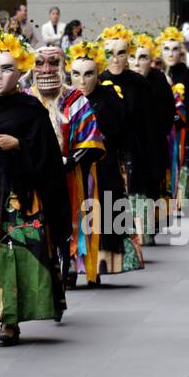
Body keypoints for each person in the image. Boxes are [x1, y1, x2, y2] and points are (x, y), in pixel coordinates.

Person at [0, 33, 71, 346]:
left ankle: (11, 322)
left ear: (19, 74)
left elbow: (48, 157)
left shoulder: (32, 110)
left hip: (23, 200)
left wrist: (19, 145)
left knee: (19, 256)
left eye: (6, 69)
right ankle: (4, 317)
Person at [51, 42, 143, 283]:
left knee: (102, 214)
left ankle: (97, 265)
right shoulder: (64, 99)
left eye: (89, 73)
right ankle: (69, 266)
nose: (82, 80)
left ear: (97, 75)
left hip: (103, 166)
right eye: (76, 74)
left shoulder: (110, 98)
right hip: (71, 167)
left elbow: (124, 133)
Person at [99, 24, 162, 246]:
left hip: (137, 150)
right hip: (107, 153)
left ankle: (142, 231)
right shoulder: (96, 82)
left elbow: (151, 127)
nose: (115, 59)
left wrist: (154, 161)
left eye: (121, 53)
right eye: (110, 54)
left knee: (138, 189)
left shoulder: (140, 84)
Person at [130, 32, 179, 240]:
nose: (137, 62)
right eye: (133, 57)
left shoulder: (159, 81)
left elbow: (168, 113)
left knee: (151, 185)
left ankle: (149, 228)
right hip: (129, 144)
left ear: (152, 60)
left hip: (153, 143)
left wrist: (155, 135)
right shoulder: (120, 81)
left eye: (143, 57)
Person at [158, 27, 189, 213]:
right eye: (166, 49)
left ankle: (184, 201)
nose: (170, 53)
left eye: (174, 49)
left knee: (185, 162)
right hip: (162, 129)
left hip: (184, 130)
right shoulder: (155, 75)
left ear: (181, 52)